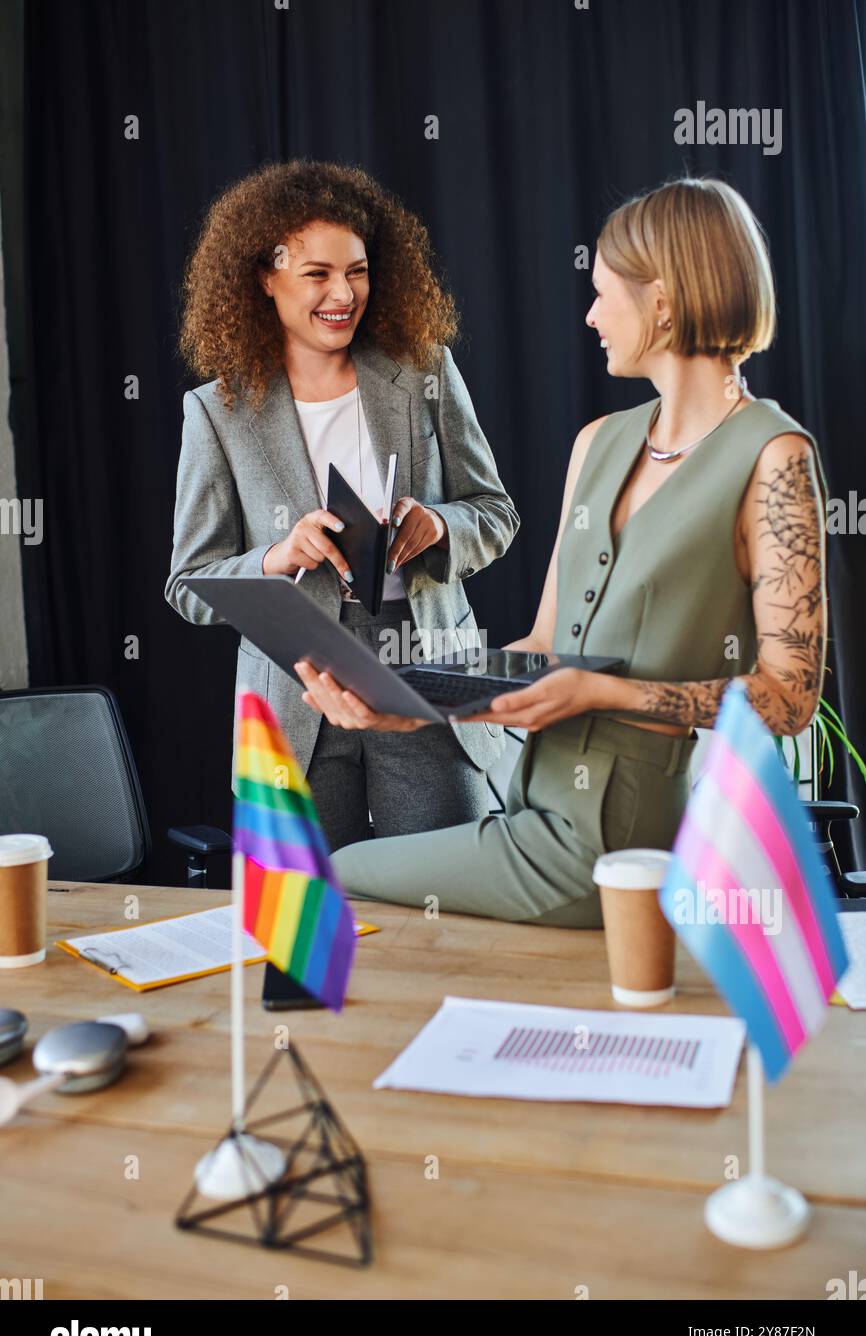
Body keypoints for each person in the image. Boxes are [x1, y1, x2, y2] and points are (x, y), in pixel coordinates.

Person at [296, 176, 829, 927]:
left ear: (664, 301)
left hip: (622, 839)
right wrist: (409, 708)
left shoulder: (774, 457)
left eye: (604, 292)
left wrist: (606, 694)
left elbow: (789, 698)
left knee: (339, 874)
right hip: (534, 800)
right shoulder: (599, 444)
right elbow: (545, 646)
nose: (590, 314)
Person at [166, 159, 519, 850]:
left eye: (356, 270)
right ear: (265, 280)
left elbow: (496, 512)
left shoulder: (427, 371)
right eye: (317, 274)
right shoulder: (217, 412)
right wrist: (278, 555)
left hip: (426, 685)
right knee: (306, 938)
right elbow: (189, 585)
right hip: (294, 705)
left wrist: (440, 525)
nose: (343, 292)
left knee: (441, 921)